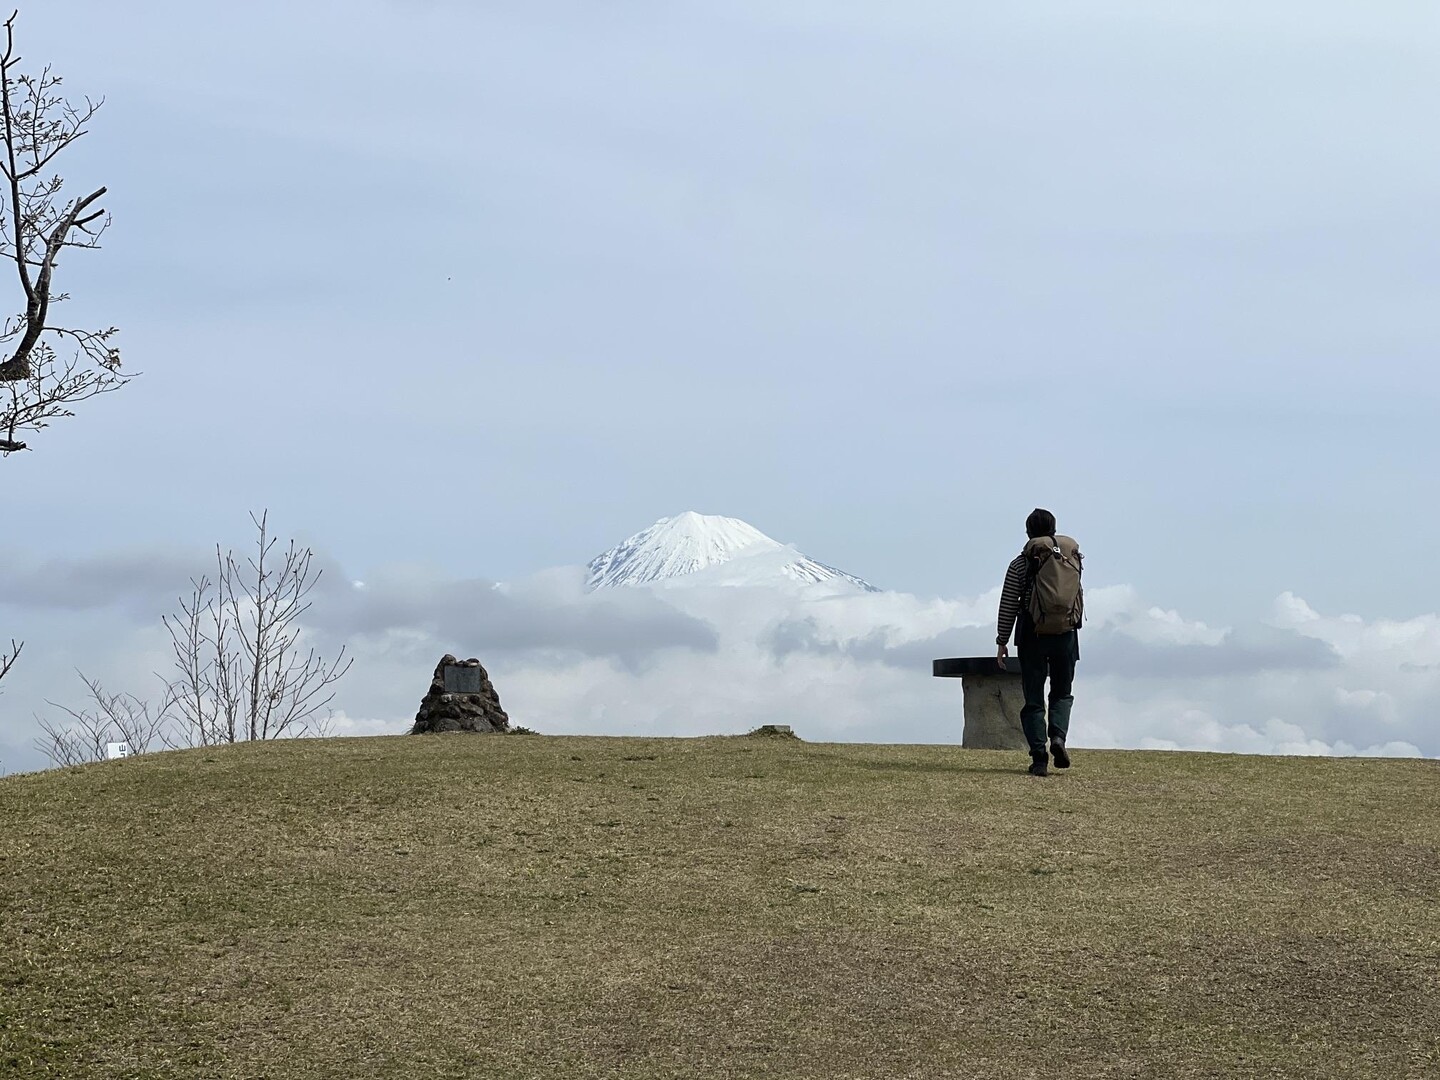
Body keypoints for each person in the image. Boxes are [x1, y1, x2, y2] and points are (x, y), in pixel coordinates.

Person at [995, 508, 1082, 777]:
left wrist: (1002, 640)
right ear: (1054, 529)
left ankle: (1039, 757)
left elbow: (1009, 603)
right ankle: (1058, 737)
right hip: (1066, 634)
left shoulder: (1020, 563)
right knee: (1062, 692)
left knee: (1033, 698)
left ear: (1028, 532)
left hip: (1031, 634)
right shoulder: (1071, 557)